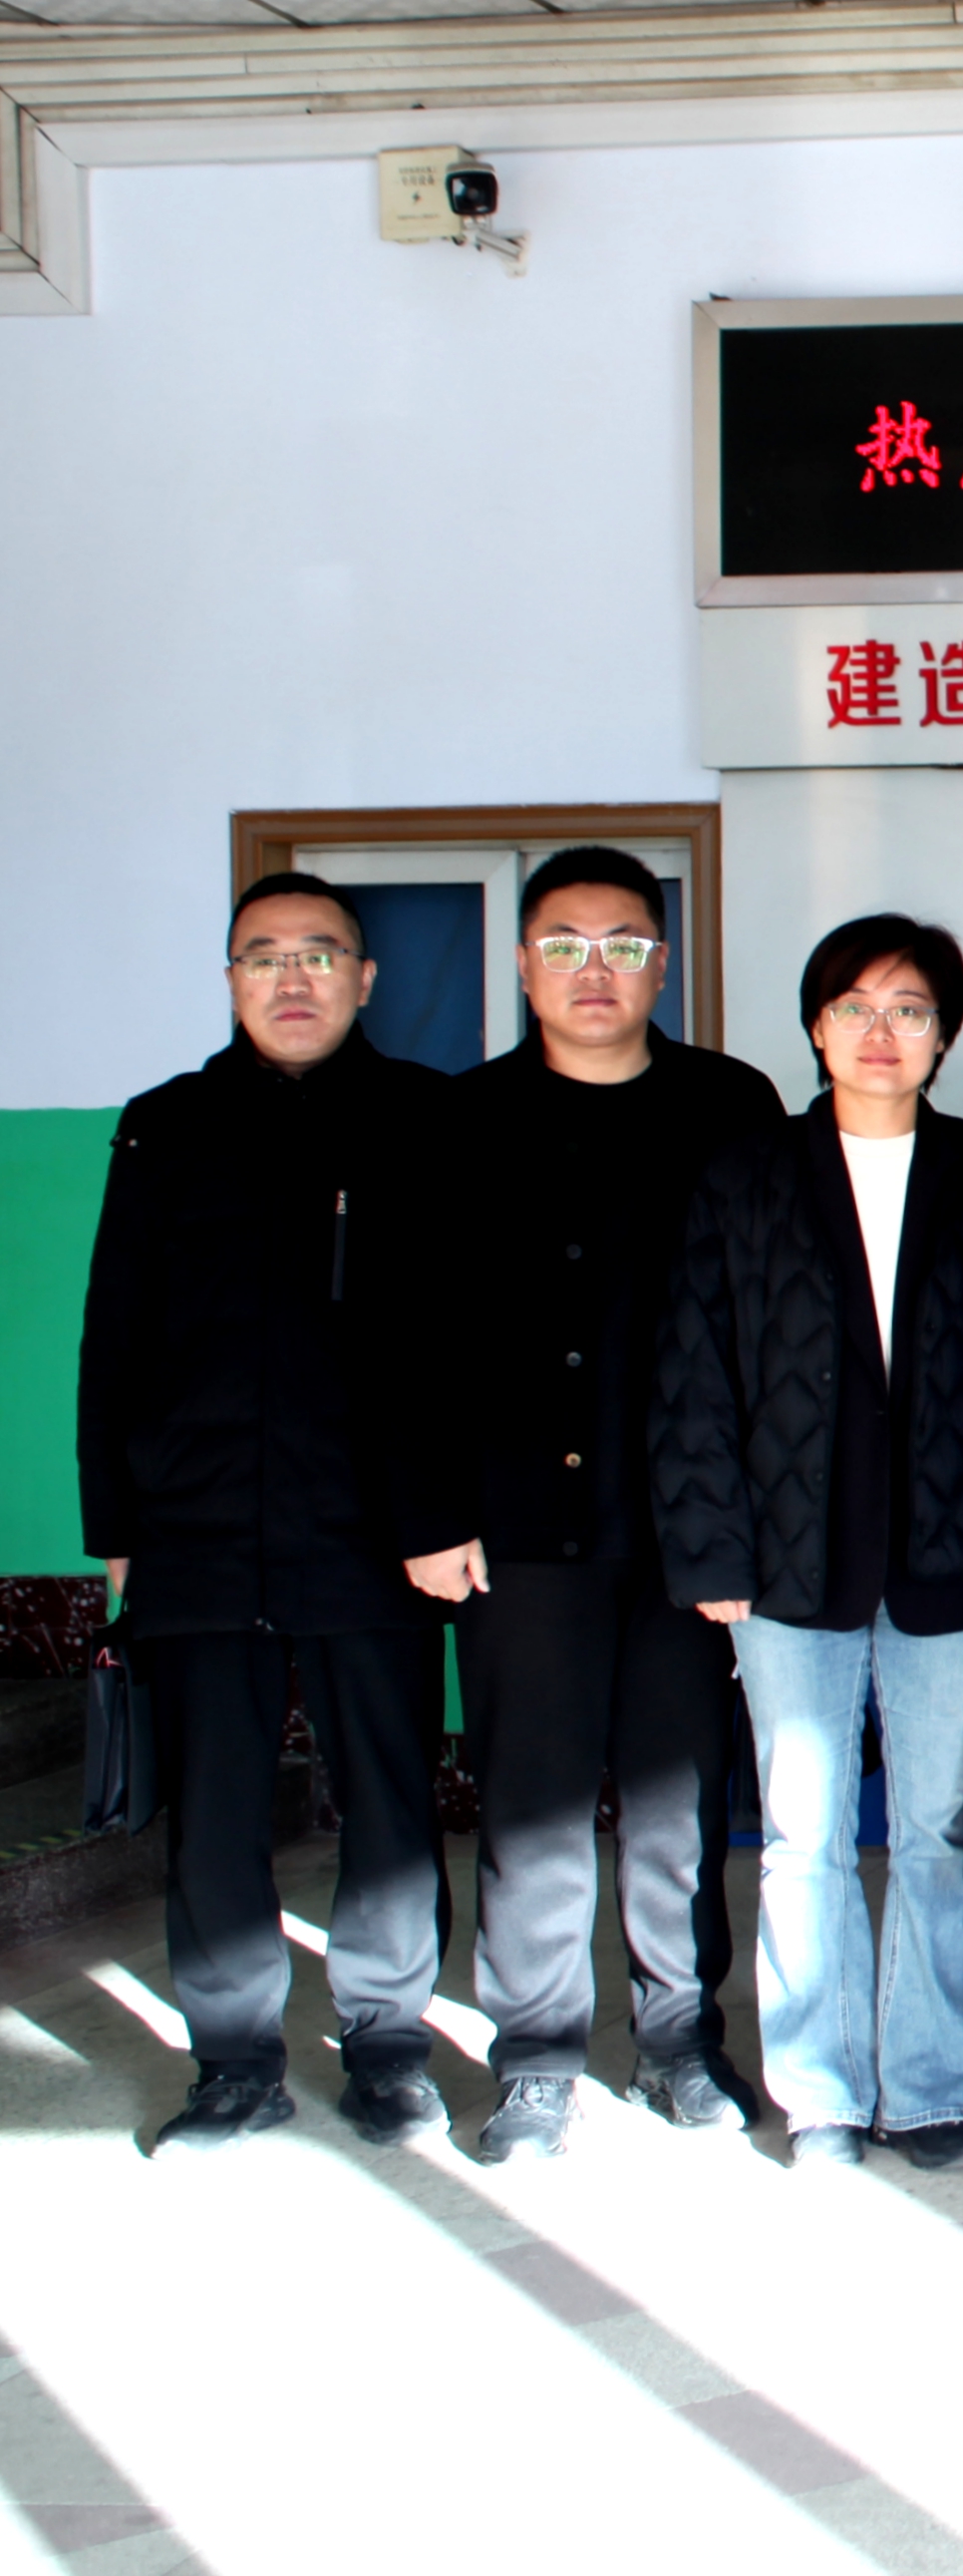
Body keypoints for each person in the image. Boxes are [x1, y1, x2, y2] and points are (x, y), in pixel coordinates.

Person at [82, 875, 458, 2153]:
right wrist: (114, 1524)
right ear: (232, 978)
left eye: (319, 954)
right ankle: (233, 2062)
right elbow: (114, 1335)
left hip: (374, 1528)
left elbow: (462, 1340)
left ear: (364, 976)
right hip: (197, 1524)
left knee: (390, 1803)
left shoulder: (423, 1118)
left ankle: (390, 2048)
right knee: (216, 1808)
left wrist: (445, 1510)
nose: (292, 979)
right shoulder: (166, 1126)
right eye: (264, 956)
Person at [423, 844, 785, 2164]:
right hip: (516, 1525)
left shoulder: (729, 1105)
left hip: (688, 1528)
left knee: (679, 1798)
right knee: (529, 1800)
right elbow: (410, 1335)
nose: (595, 969)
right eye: (565, 944)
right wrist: (430, 1511)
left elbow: (771, 1321)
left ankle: (681, 2038)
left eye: (623, 942)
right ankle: (535, 2059)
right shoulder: (458, 1120)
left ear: (660, 962)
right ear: (524, 964)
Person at [656, 916, 963, 2171]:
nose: (880, 1031)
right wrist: (711, 1552)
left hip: (952, 1554)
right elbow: (694, 1372)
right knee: (802, 1839)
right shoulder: (745, 1174)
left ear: (942, 1034)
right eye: (855, 1006)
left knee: (936, 1839)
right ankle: (819, 2093)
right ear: (816, 1026)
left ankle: (930, 2089)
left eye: (909, 1009)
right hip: (784, 1561)